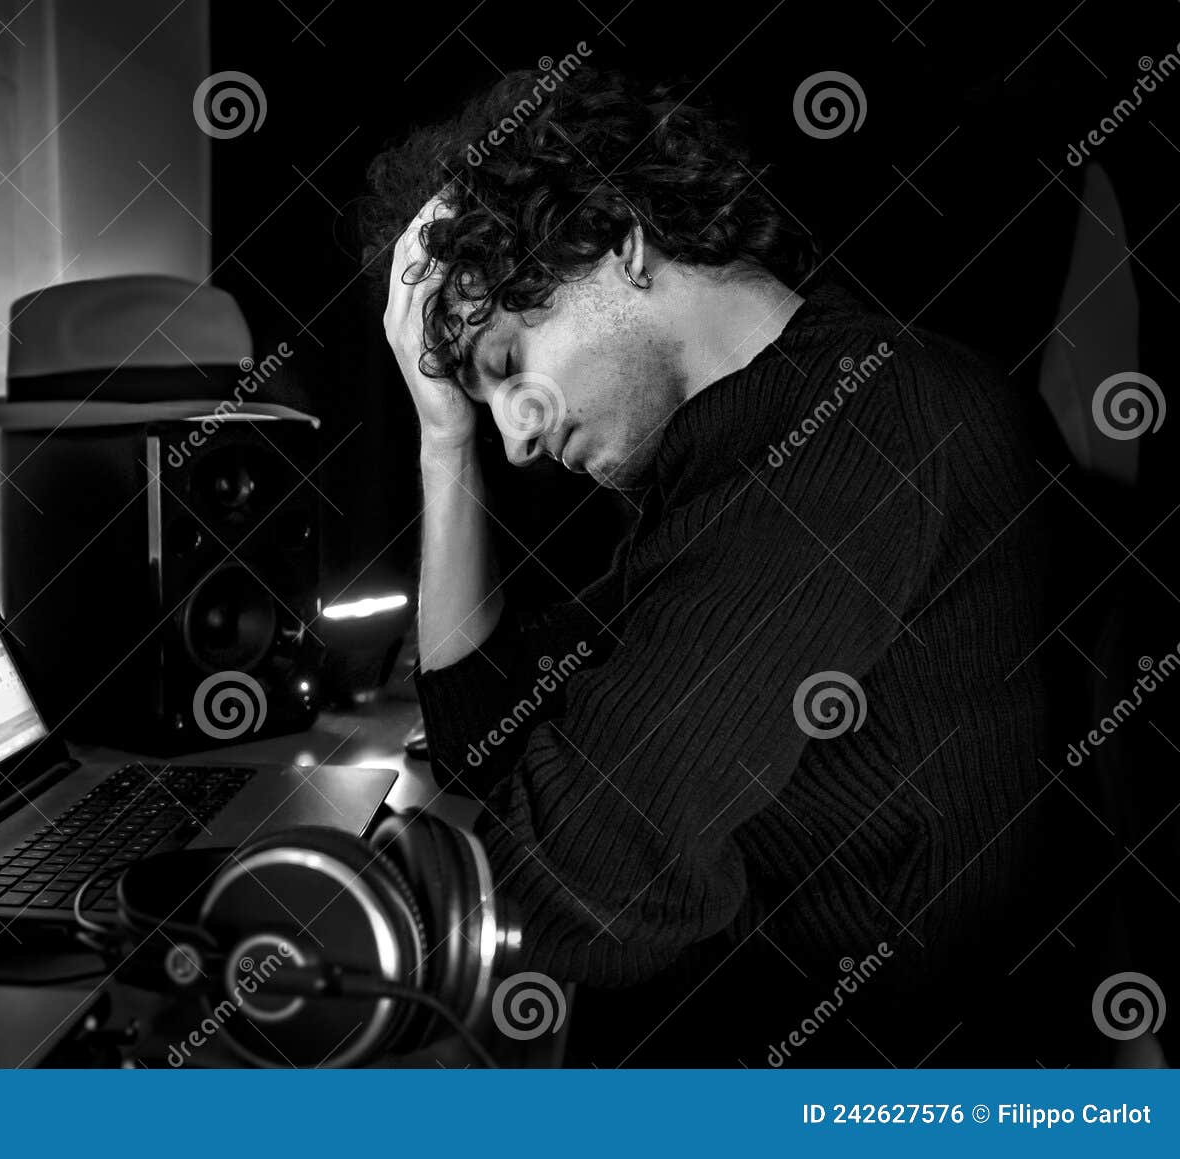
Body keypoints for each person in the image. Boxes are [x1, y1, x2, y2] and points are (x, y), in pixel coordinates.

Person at [366, 67, 1105, 1065]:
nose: (517, 440)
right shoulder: (727, 452)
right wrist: (439, 438)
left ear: (617, 243)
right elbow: (481, 736)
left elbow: (589, 886)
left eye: (504, 366)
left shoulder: (868, 425)